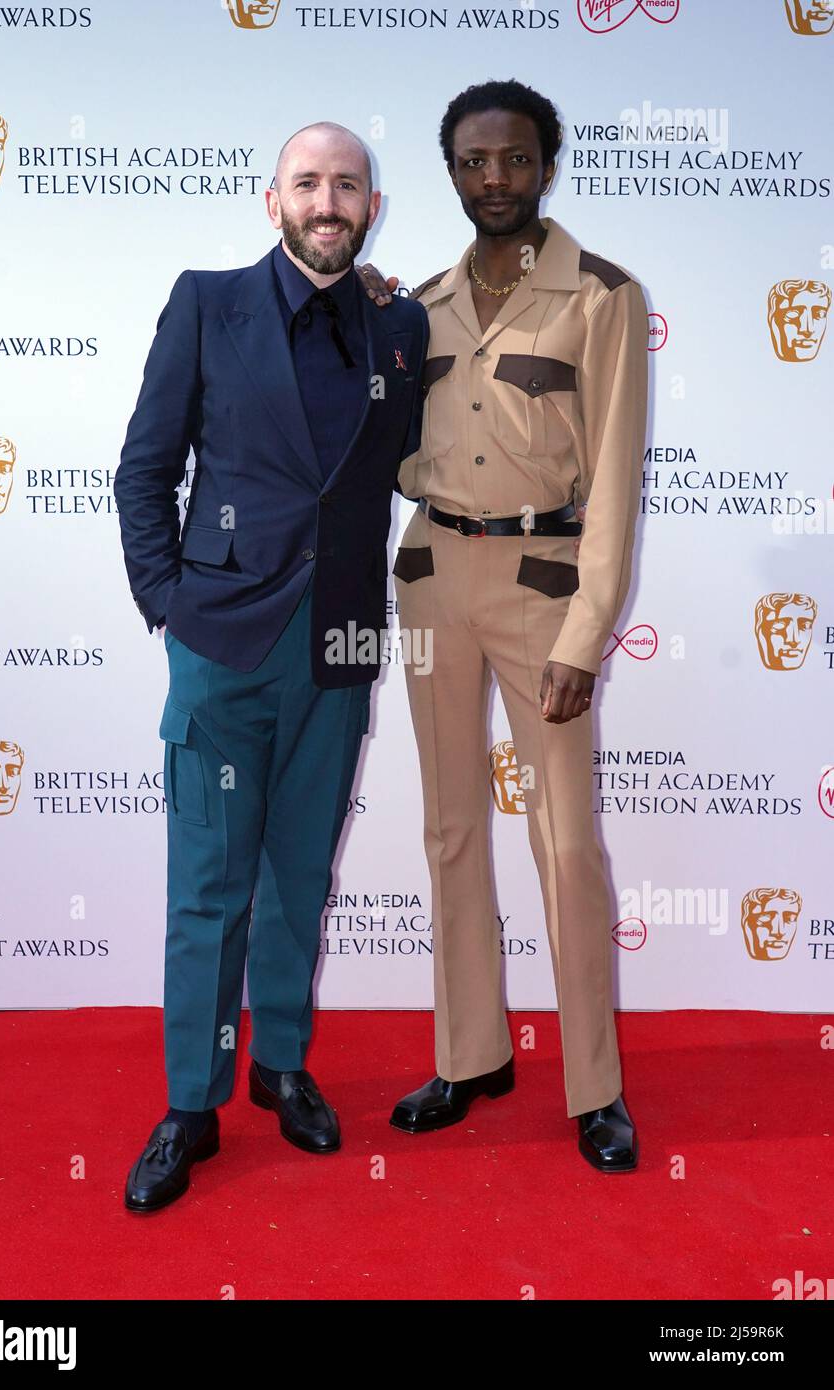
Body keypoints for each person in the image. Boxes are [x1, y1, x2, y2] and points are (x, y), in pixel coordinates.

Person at [114, 121, 428, 1211]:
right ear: (272, 199)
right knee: (208, 888)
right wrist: (171, 606)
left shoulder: (399, 324)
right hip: (223, 643)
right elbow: (145, 468)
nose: (327, 201)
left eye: (348, 185)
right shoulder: (208, 302)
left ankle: (281, 1067)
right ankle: (190, 1105)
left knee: (300, 875)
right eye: (309, 183)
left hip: (338, 642)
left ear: (372, 207)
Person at [360, 80, 649, 1172]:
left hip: (544, 580)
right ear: (451, 172)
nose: (496, 179)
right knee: (449, 828)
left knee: (565, 841)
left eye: (516, 159)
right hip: (433, 574)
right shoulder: (415, 305)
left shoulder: (603, 296)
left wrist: (588, 630)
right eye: (476, 161)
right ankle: (471, 1052)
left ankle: (595, 1086)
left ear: (547, 164)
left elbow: (615, 477)